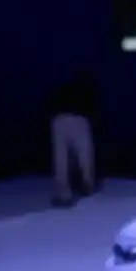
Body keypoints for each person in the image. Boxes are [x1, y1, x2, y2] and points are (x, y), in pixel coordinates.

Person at [47, 70, 99, 207]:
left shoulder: (60, 88)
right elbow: (93, 108)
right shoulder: (87, 89)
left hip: (59, 119)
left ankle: (64, 194)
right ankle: (88, 185)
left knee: (61, 157)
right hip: (80, 118)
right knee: (85, 155)